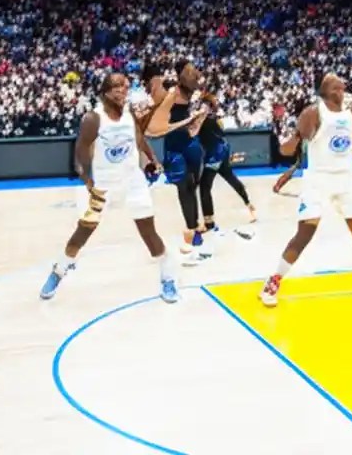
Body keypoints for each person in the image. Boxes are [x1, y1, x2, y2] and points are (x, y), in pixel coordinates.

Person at [39, 73, 179, 303]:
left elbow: (138, 138)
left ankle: (168, 276)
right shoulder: (93, 119)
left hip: (133, 181)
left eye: (125, 86)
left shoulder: (129, 114)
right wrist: (88, 184)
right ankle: (59, 270)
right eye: (117, 86)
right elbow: (80, 155)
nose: (123, 90)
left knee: (149, 234)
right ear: (105, 92)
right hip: (104, 184)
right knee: (83, 232)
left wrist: (152, 158)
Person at [259, 73, 352, 307]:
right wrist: (288, 144)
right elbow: (292, 146)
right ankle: (273, 280)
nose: (342, 84)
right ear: (326, 89)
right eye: (335, 82)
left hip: (346, 180)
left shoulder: (351, 114)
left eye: (342, 83)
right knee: (304, 234)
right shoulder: (313, 113)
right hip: (318, 181)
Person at [147, 61, 210, 264]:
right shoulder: (170, 91)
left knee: (192, 186)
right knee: (184, 188)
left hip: (189, 142)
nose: (194, 74)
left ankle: (194, 231)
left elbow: (203, 90)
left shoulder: (192, 90)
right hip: (174, 144)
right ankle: (190, 235)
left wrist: (200, 118)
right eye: (189, 71)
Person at [197, 93, 257, 239]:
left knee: (205, 187)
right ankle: (249, 205)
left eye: (202, 104)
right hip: (221, 151)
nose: (199, 107)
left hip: (214, 154)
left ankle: (209, 223)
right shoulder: (212, 119)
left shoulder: (206, 120)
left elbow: (193, 132)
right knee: (230, 178)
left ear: (207, 106)